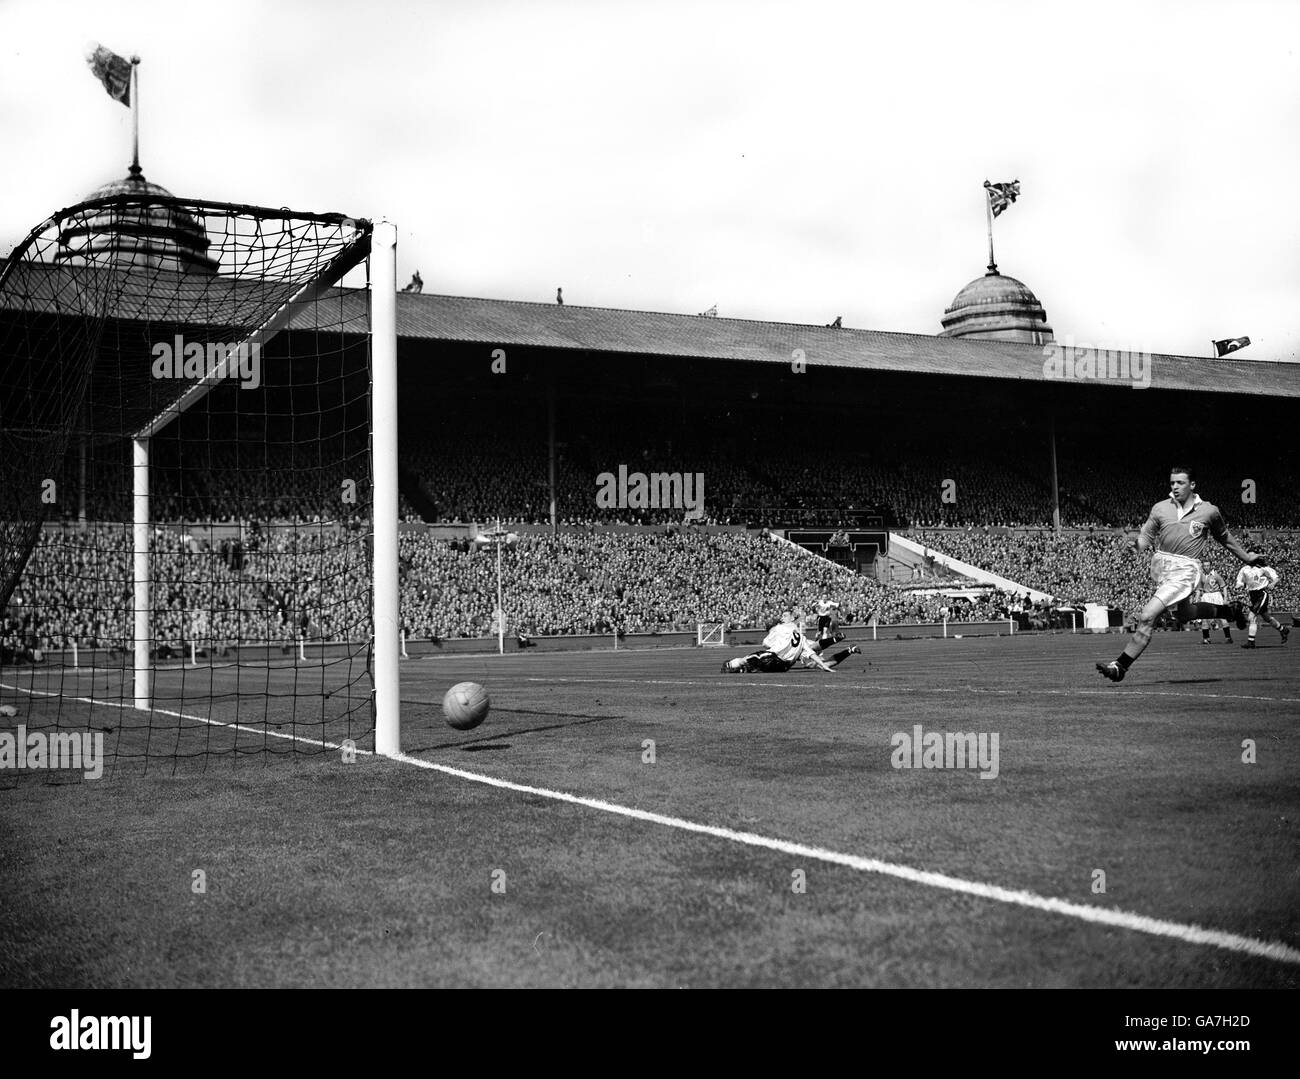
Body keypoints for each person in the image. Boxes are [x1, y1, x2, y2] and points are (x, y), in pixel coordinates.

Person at [1097, 466, 1263, 682]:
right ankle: (1228, 611)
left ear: (1192, 485)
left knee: (1147, 616)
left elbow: (1225, 537)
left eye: (1180, 483)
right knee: (1184, 614)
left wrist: (1247, 558)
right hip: (1162, 567)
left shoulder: (1209, 511)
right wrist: (1135, 546)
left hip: (1186, 570)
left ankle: (1120, 666)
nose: (1174, 486)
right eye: (1172, 482)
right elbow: (1145, 537)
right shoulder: (1160, 508)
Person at [722, 610, 859, 673]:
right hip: (786, 665)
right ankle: (848, 649)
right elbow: (812, 651)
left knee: (748, 659)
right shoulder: (798, 634)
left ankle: (730, 665)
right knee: (818, 661)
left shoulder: (779, 628)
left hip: (776, 657)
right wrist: (823, 666)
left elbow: (765, 643)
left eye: (784, 615)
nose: (782, 617)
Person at [1235, 561, 1289, 648]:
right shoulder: (1244, 569)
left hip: (1262, 594)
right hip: (1252, 595)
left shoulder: (1263, 567)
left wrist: (1273, 583)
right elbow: (1239, 581)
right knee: (1266, 617)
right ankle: (1283, 630)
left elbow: (1276, 577)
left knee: (1251, 616)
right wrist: (1239, 586)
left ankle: (1251, 642)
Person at [1195, 567, 1234, 645]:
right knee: (1204, 618)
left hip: (1216, 595)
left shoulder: (1216, 575)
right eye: (1205, 565)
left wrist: (1225, 598)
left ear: (1210, 566)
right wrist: (1196, 599)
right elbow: (1199, 589)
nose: (1206, 567)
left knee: (1222, 617)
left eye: (1208, 565)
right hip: (1206, 596)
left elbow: (1224, 586)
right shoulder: (1201, 576)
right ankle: (1206, 639)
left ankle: (1228, 638)